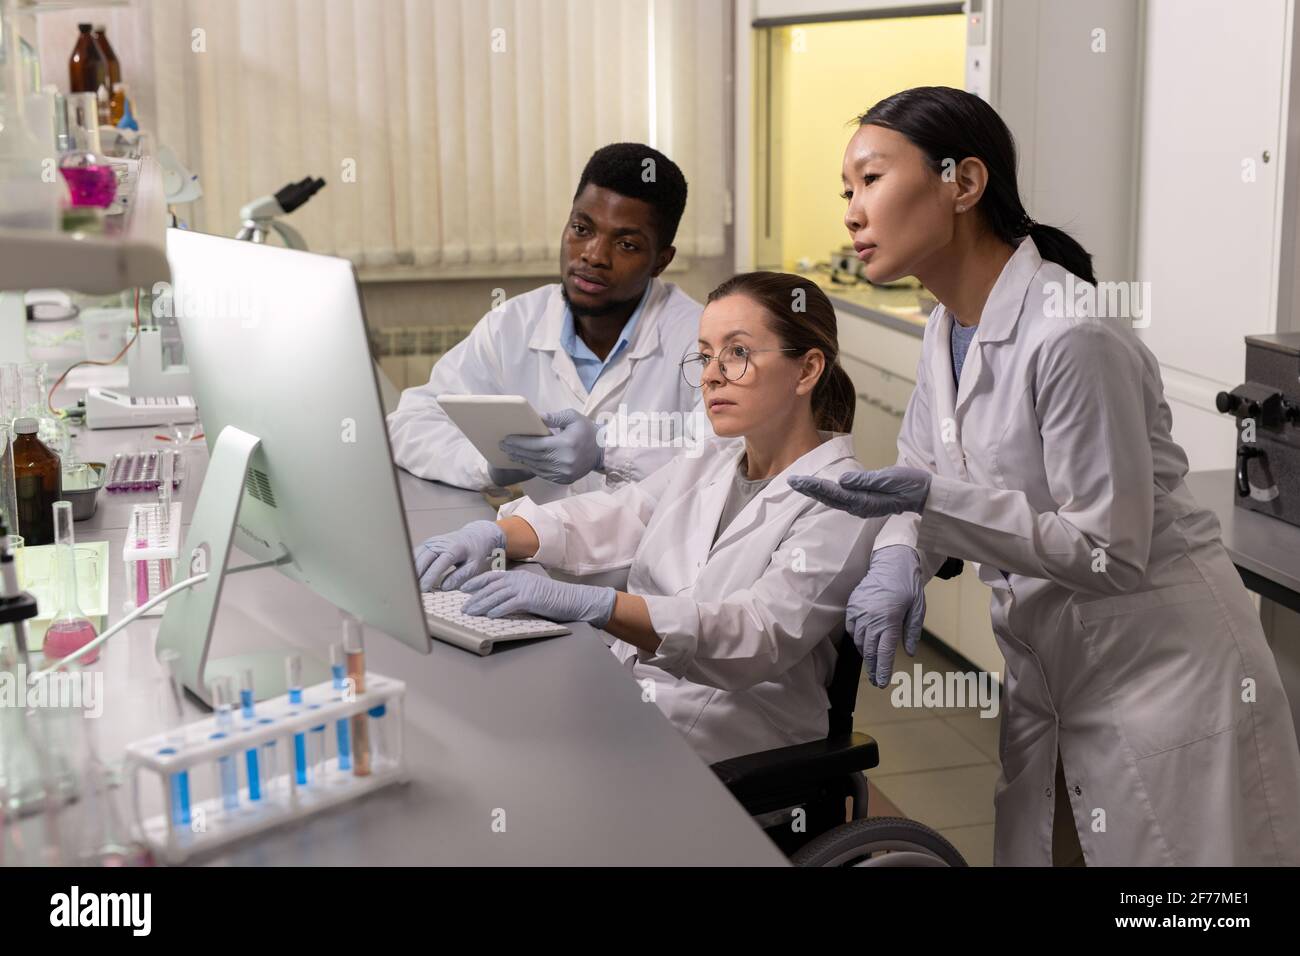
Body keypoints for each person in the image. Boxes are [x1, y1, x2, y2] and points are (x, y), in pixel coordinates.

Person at [791, 85, 1300, 866]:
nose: (852, 212)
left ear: (962, 183)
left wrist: (933, 503)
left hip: (1167, 678)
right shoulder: (945, 327)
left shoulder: (1072, 334)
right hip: (1052, 676)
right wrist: (900, 557)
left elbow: (1110, 550)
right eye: (847, 190)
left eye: (872, 179)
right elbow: (922, 472)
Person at [413, 273, 880, 764]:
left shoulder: (843, 500)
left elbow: (755, 634)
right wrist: (497, 535)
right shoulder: (713, 459)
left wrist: (599, 605)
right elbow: (621, 514)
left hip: (735, 748)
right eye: (704, 356)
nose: (711, 375)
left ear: (806, 370)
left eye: (737, 353)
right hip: (636, 704)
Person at [387, 143, 706, 504]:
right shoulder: (513, 324)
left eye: (627, 245)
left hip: (650, 558)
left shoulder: (701, 342)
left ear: (661, 261)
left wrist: (607, 452)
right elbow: (410, 422)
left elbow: (728, 463)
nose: (593, 255)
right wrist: (487, 466)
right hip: (535, 551)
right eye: (582, 228)